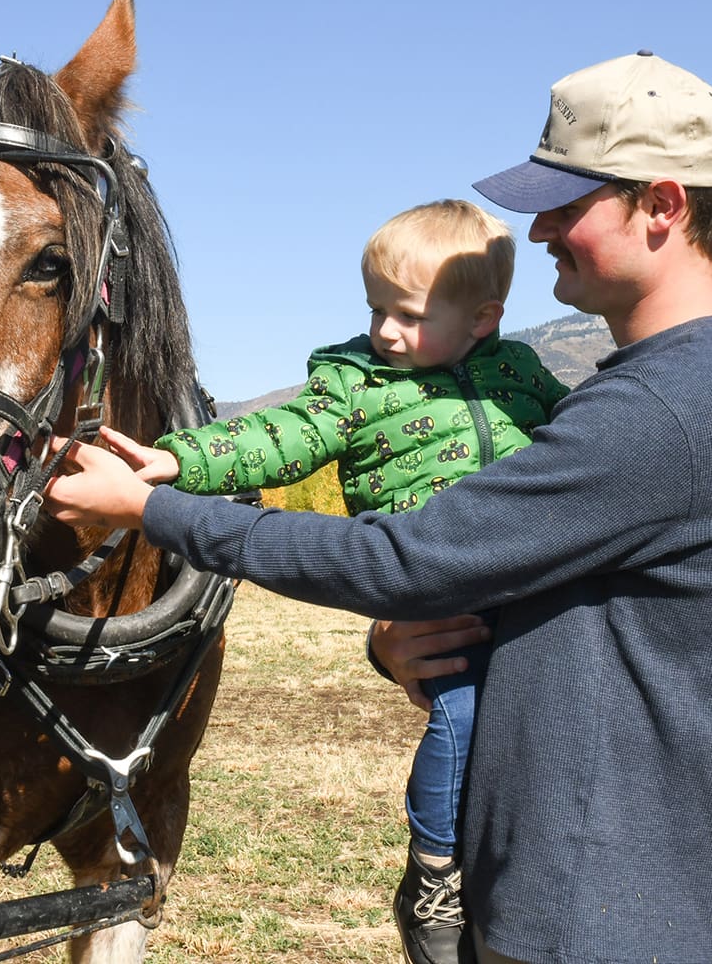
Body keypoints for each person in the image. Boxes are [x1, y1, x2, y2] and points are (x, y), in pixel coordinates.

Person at [45, 51, 712, 964]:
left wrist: (149, 511)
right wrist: (397, 639)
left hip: (605, 914)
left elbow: (408, 558)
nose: (541, 231)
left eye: (568, 205)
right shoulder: (656, 394)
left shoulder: (665, 413)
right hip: (591, 889)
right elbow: (540, 584)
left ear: (664, 207)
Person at [142, 199, 568, 964]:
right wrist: (176, 462)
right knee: (463, 715)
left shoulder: (521, 375)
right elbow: (280, 436)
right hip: (439, 593)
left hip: (531, 589)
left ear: (482, 318)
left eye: (406, 315)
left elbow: (579, 447)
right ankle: (435, 867)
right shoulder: (357, 383)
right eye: (375, 309)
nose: (384, 332)